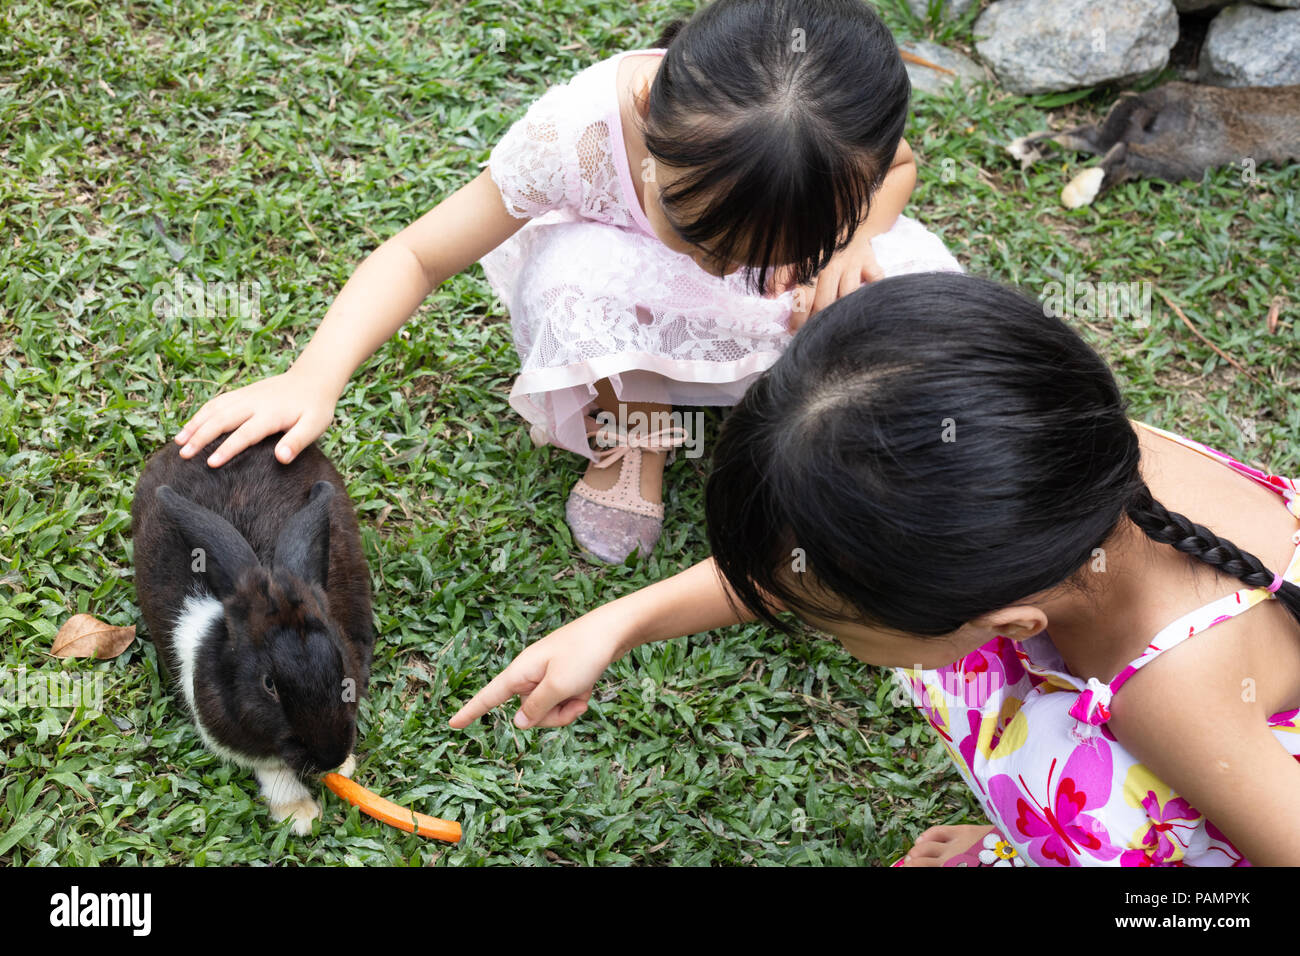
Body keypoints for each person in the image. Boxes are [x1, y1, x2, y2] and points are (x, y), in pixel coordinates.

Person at [450, 272, 1300, 866]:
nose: (794, 609)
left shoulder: (1177, 699)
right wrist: (620, 620)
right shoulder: (1055, 449)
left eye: (828, 623)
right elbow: (839, 547)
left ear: (1006, 624)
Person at [170, 0, 961, 563]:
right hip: (633, 308)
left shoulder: (844, 149)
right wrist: (314, 374)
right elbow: (418, 256)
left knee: (921, 293)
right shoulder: (573, 134)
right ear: (651, 110)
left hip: (781, 311)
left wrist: (848, 246)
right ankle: (637, 433)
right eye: (695, 231)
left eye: (757, 245)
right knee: (573, 269)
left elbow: (899, 166)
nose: (720, 268)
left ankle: (791, 408)